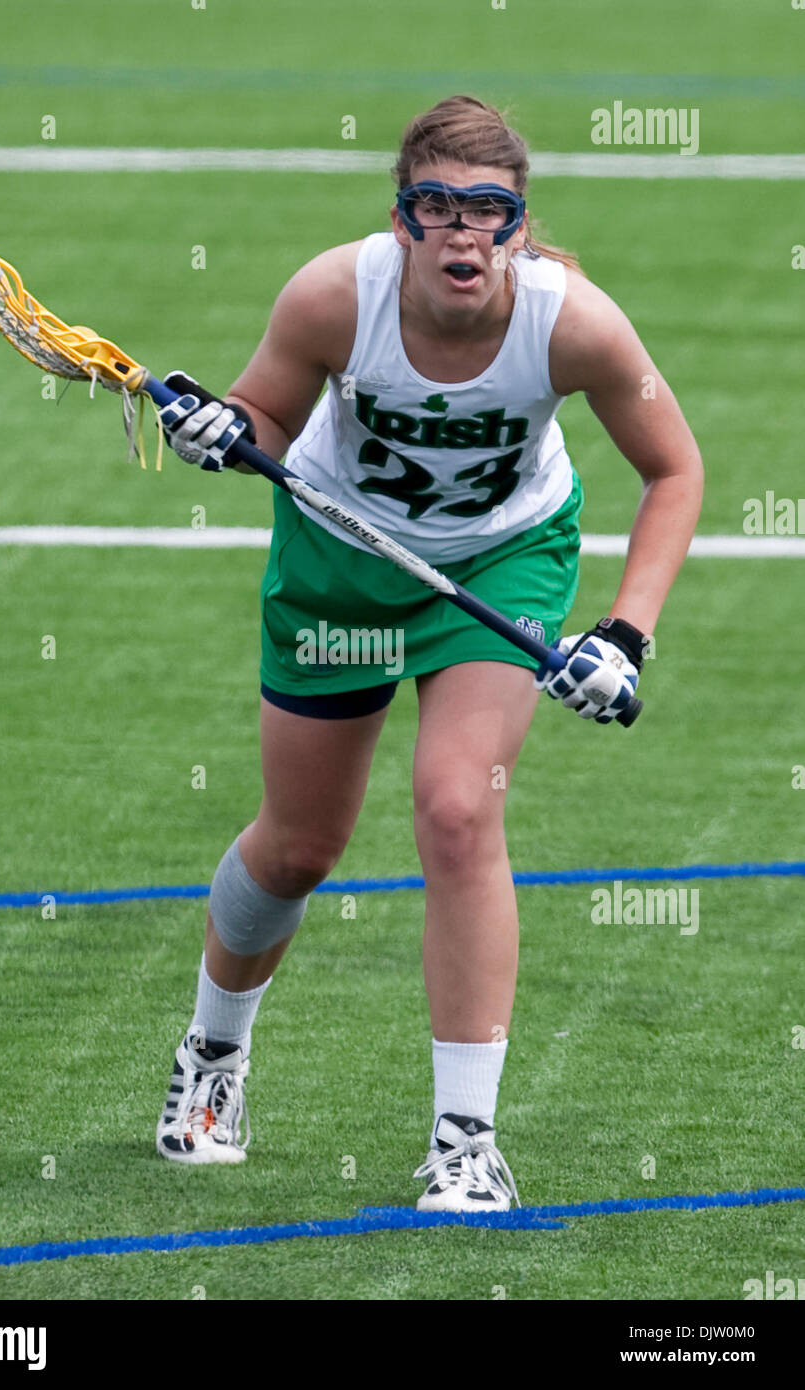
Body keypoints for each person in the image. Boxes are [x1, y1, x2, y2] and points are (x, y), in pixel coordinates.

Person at [154, 95, 703, 1211]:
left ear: (519, 225)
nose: (462, 232)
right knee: (300, 845)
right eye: (436, 207)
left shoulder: (574, 323)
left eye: (487, 211)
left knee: (459, 808)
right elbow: (262, 415)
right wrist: (215, 430)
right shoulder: (331, 296)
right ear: (401, 220)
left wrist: (624, 631)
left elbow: (674, 470)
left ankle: (464, 1139)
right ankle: (213, 1055)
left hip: (499, 567)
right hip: (340, 562)